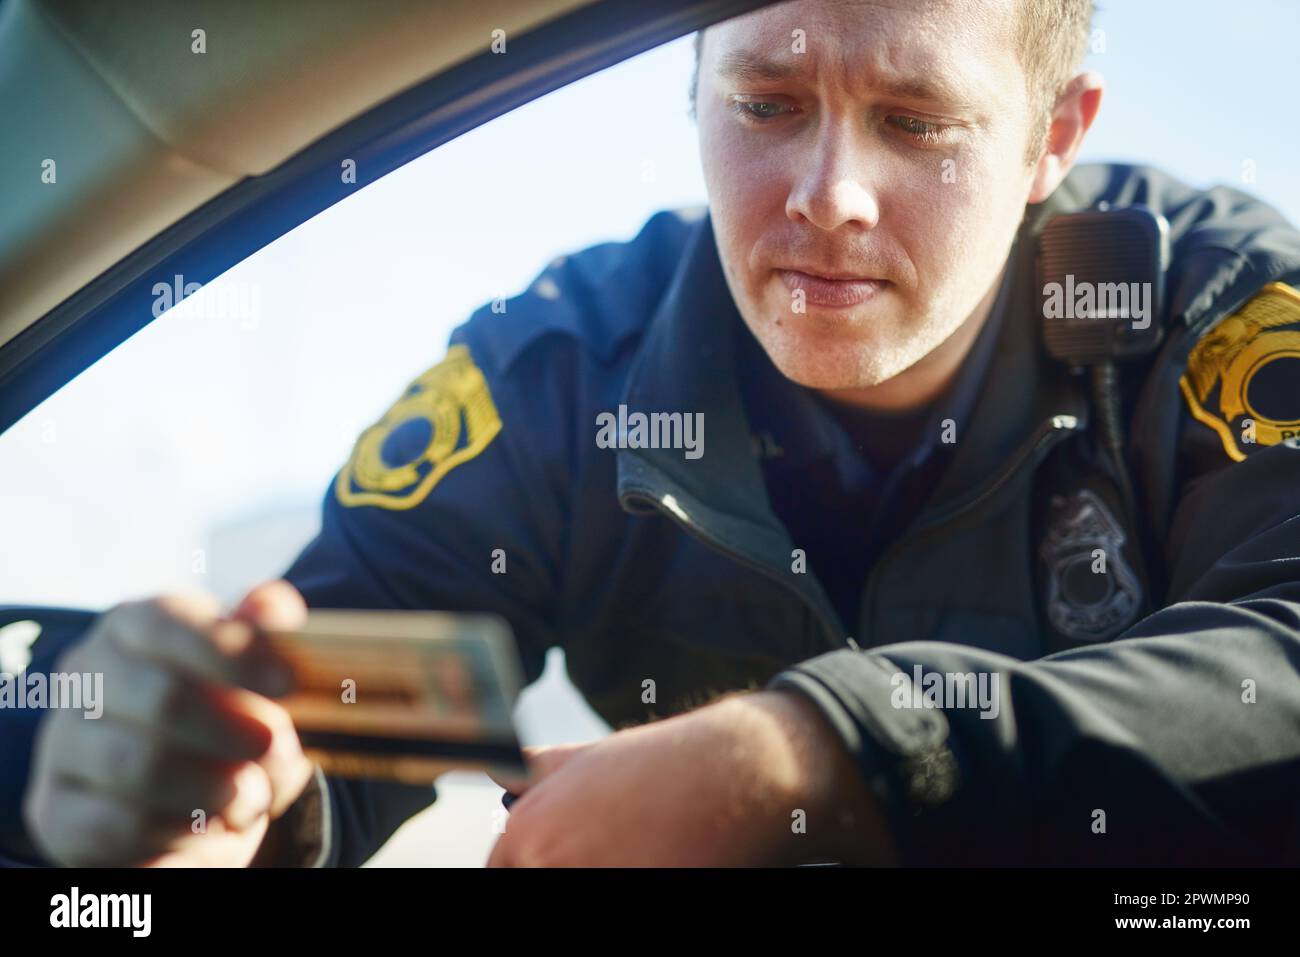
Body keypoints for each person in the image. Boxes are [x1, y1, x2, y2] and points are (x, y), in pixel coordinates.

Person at [17, 0, 1300, 867]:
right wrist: (224, 786)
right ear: (691, 88)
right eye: (766, 103)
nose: (826, 195)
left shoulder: (1212, 310)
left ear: (1051, 139)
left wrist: (812, 755)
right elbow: (336, 710)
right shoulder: (565, 368)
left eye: (913, 123)